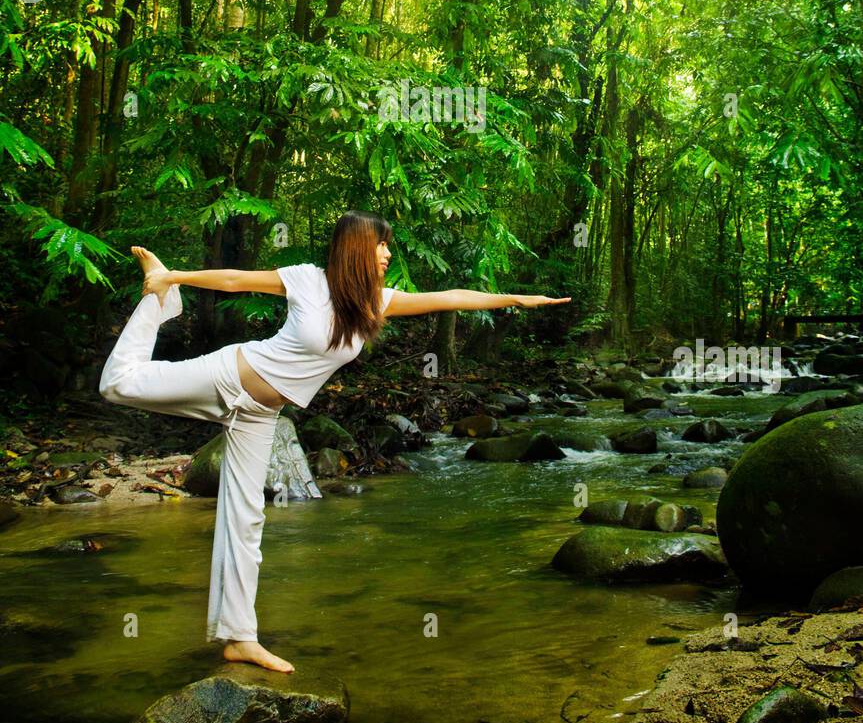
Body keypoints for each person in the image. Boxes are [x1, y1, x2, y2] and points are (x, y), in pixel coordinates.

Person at [98, 210, 570, 673]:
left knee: (247, 518)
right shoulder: (307, 279)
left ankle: (240, 639)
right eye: (380, 244)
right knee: (118, 384)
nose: (387, 253)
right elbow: (235, 280)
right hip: (230, 375)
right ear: (355, 247)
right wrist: (173, 277)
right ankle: (162, 299)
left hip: (261, 413)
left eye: (387, 245)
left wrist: (514, 298)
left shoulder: (374, 302)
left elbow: (449, 298)